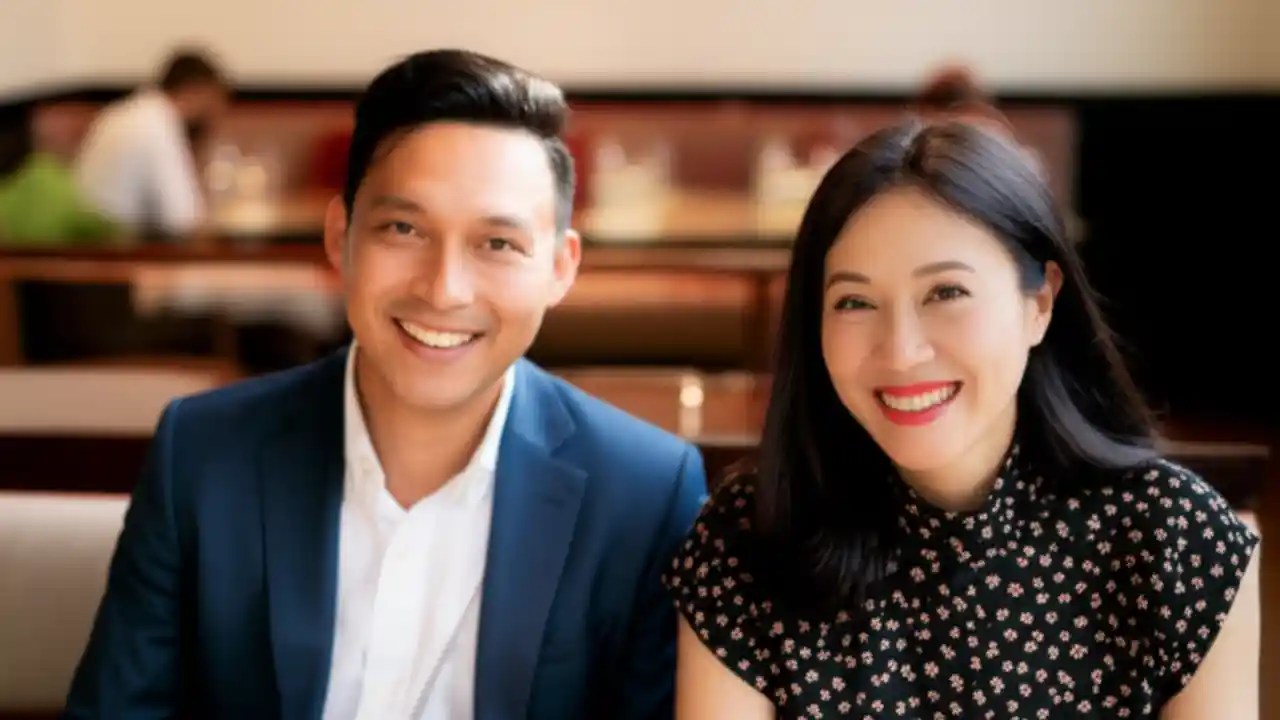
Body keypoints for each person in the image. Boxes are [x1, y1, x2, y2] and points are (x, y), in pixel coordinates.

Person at [65, 48, 706, 719]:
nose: (444, 289)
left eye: (498, 244)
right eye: (403, 228)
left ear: (560, 267)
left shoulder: (644, 494)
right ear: (340, 236)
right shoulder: (201, 455)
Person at [663, 119, 1260, 719]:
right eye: (855, 302)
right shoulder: (749, 539)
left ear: (1040, 304)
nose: (900, 351)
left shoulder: (1174, 540)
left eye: (946, 293)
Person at [74, 48, 230, 237]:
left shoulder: (120, 112)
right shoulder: (157, 125)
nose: (217, 111)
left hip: (85, 239)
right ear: (199, 91)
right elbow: (184, 218)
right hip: (114, 249)